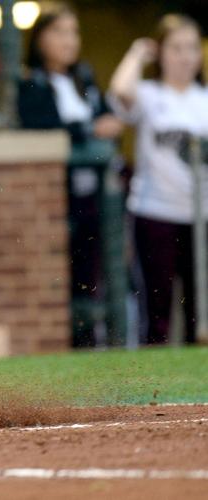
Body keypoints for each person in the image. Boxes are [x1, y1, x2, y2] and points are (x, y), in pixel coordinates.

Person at [17, 2, 124, 347]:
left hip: (95, 196)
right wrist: (88, 128)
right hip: (58, 198)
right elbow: (41, 126)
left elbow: (110, 119)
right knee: (63, 277)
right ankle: (70, 342)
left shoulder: (85, 79)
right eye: (59, 32)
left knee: (97, 273)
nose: (69, 40)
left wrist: (100, 126)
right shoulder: (30, 82)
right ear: (39, 39)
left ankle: (98, 341)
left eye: (73, 32)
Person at [108, 14, 208, 345]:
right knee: (157, 308)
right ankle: (154, 390)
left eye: (191, 48)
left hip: (201, 217)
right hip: (156, 213)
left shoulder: (203, 100)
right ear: (162, 52)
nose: (184, 56)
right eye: (176, 48)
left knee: (200, 309)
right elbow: (121, 90)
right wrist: (138, 53)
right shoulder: (149, 94)